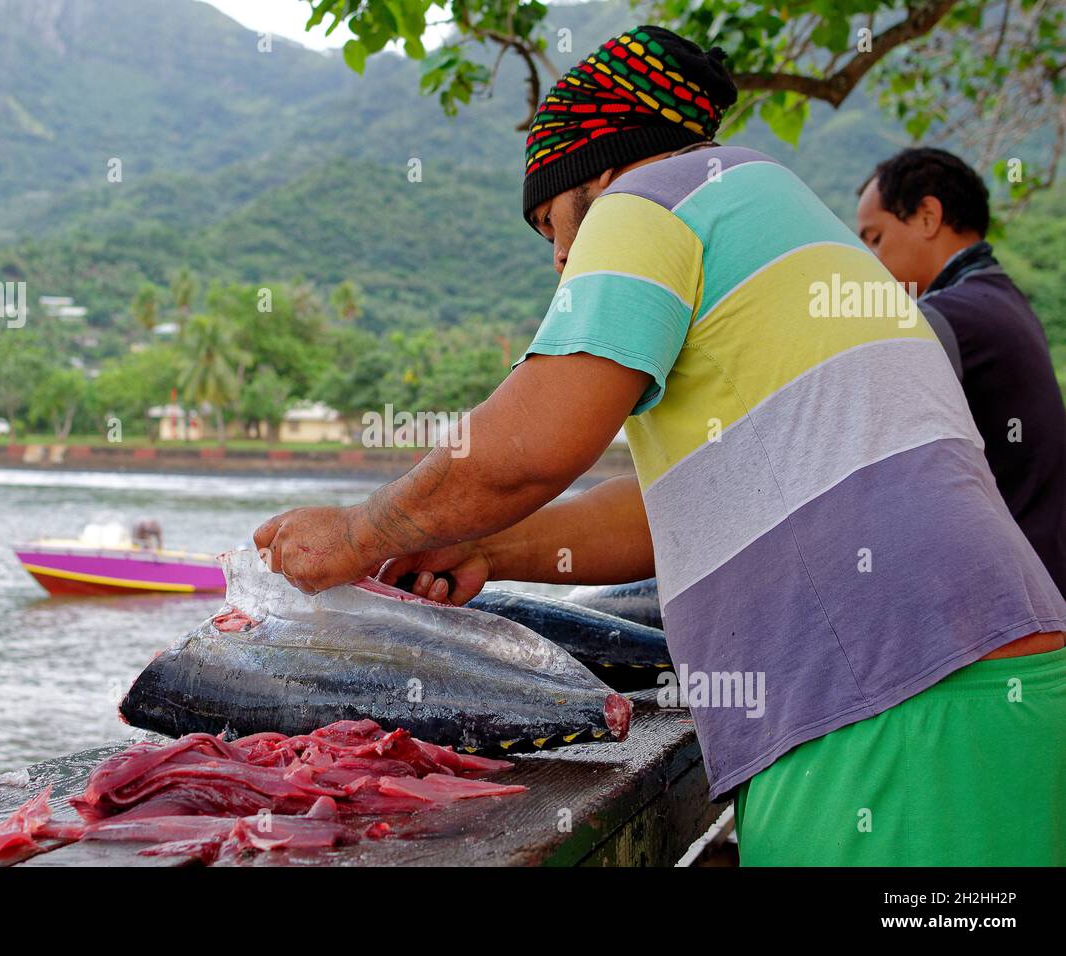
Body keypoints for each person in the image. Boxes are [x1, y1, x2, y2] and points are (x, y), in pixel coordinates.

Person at [254, 26, 1066, 865]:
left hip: (888, 702)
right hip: (989, 688)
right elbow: (674, 513)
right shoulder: (769, 213)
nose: (564, 256)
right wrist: (485, 545)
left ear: (598, 173)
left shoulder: (647, 199)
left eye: (552, 224)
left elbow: (534, 441)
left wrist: (362, 533)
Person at [857, 148, 1066, 593]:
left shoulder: (940, 319)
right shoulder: (1001, 300)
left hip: (1007, 600)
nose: (870, 261)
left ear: (928, 216)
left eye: (875, 238)